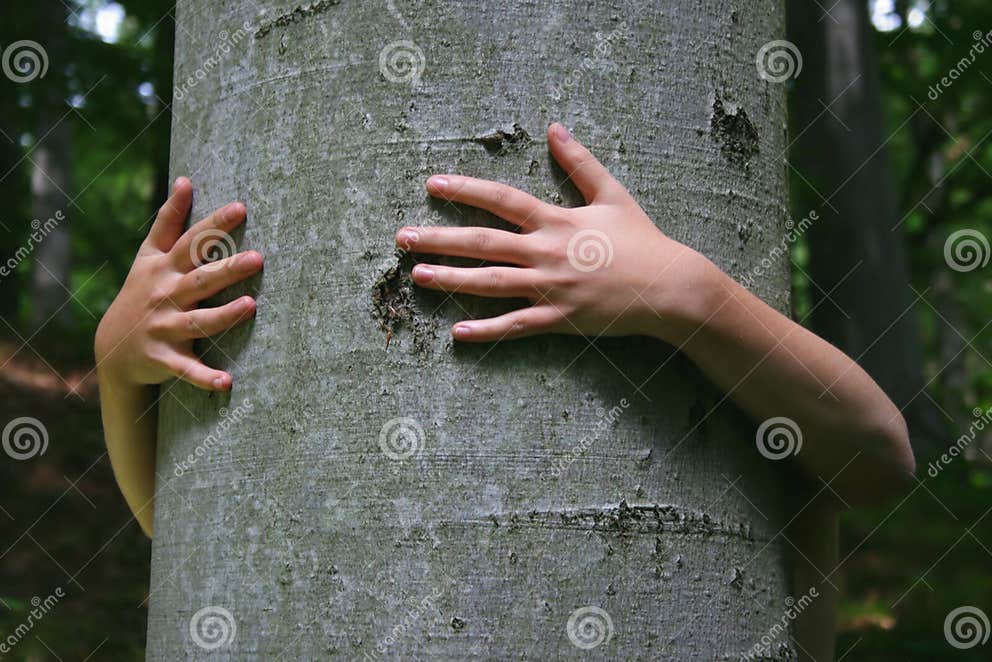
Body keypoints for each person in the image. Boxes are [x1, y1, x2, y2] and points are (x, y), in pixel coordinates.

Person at [96, 123, 915, 660]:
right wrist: (116, 363)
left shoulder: (766, 443)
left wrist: (681, 292)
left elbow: (878, 458)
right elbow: (202, 542)